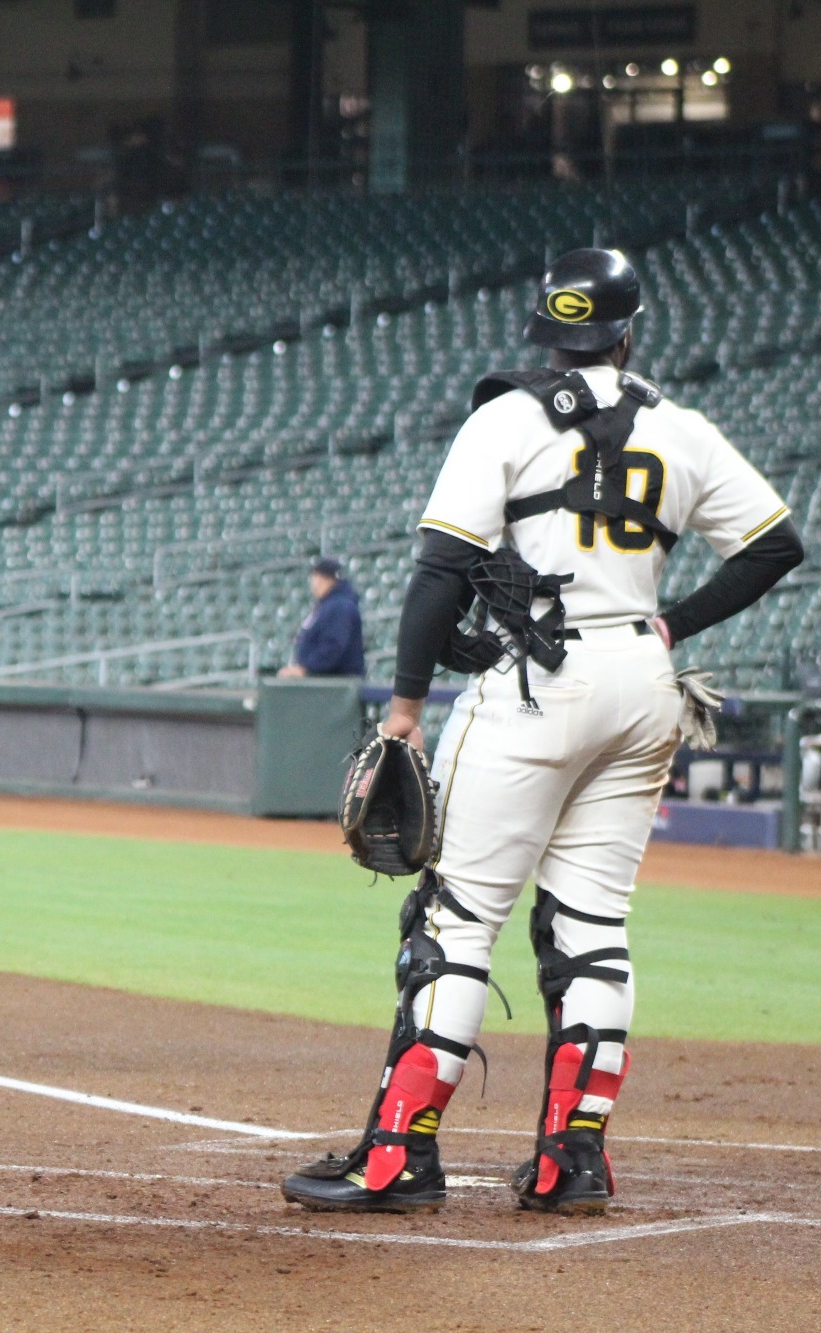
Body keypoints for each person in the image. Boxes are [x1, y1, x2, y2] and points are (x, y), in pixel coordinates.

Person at [283, 248, 803, 1216]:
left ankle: (398, 1154)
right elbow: (776, 544)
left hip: (539, 680)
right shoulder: (680, 427)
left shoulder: (507, 418)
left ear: (548, 332)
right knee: (592, 925)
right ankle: (574, 1160)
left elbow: (440, 569)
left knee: (452, 921)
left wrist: (404, 707)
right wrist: (672, 624)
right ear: (627, 332)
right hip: (643, 682)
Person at [277, 555, 365, 677]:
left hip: (337, 682)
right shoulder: (328, 605)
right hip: (324, 680)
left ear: (326, 579)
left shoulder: (339, 606)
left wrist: (307, 669)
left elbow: (333, 646)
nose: (313, 583)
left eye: (316, 577)